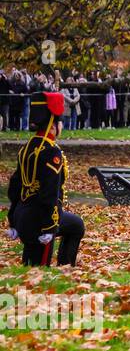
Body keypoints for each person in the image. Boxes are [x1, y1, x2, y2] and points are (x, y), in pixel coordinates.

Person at [5, 92, 83, 266]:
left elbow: (14, 188)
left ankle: (47, 265)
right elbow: (49, 193)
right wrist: (49, 226)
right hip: (42, 220)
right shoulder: (50, 151)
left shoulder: (27, 147)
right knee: (77, 226)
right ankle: (65, 266)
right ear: (53, 126)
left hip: (21, 215)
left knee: (32, 262)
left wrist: (13, 220)